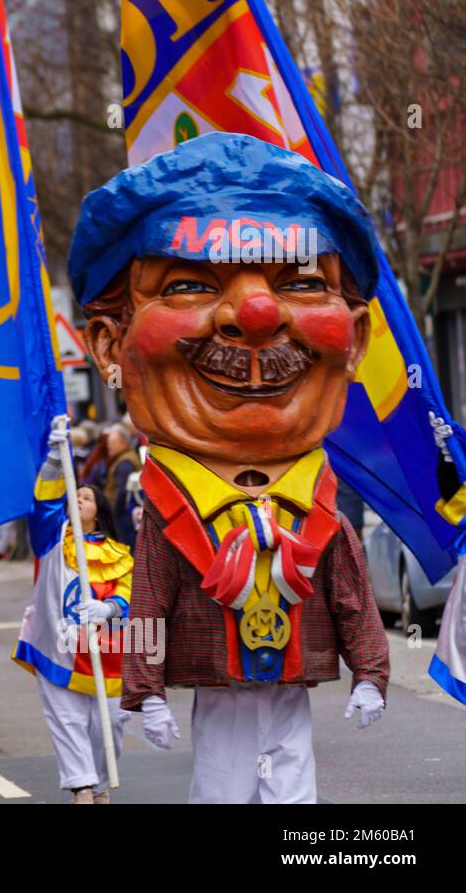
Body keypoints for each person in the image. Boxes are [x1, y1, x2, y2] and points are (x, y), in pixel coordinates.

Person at [70, 132, 390, 803]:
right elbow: (152, 601)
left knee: (293, 790)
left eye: (300, 281)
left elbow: (351, 595)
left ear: (354, 339)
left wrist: (371, 670)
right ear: (109, 344)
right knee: (220, 787)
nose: (256, 314)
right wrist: (145, 688)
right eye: (188, 282)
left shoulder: (323, 510)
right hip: (217, 688)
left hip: (289, 686)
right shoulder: (166, 512)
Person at [14, 418, 131, 803]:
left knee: (109, 724)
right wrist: (52, 459)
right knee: (67, 721)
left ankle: (98, 783)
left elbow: (130, 594)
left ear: (98, 511)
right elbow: (43, 505)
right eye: (74, 495)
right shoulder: (53, 540)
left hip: (107, 655)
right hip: (58, 649)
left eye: (85, 497)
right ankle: (81, 787)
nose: (77, 500)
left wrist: (109, 607)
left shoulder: (120, 554)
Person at [102, 424, 141, 548]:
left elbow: (122, 492)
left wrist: (112, 515)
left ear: (124, 442)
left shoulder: (125, 463)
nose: (109, 446)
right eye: (109, 442)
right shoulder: (125, 459)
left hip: (122, 518)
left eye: (113, 442)